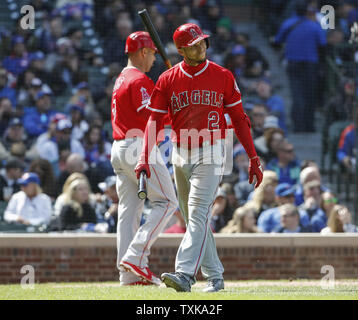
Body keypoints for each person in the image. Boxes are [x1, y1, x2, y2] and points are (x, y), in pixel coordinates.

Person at [135, 23, 263, 292]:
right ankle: (215, 277)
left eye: (203, 41)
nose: (201, 46)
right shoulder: (167, 79)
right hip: (181, 151)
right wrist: (144, 156)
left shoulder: (223, 75)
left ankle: (184, 274)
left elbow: (240, 119)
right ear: (181, 50)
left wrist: (253, 157)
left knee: (197, 213)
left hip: (213, 149)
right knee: (195, 216)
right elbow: (154, 122)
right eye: (194, 44)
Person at [110, 31, 178, 287]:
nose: (153, 60)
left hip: (119, 147)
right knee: (167, 202)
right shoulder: (139, 80)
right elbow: (154, 116)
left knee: (129, 212)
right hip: (138, 146)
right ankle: (136, 256)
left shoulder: (121, 78)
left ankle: (128, 275)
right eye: (151, 54)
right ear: (142, 52)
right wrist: (178, 108)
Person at [274, 0, 326, 132]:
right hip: (310, 65)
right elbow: (323, 43)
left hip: (293, 63)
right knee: (310, 95)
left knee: (297, 94)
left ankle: (298, 126)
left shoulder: (288, 23)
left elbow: (277, 40)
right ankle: (309, 126)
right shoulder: (314, 25)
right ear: (307, 11)